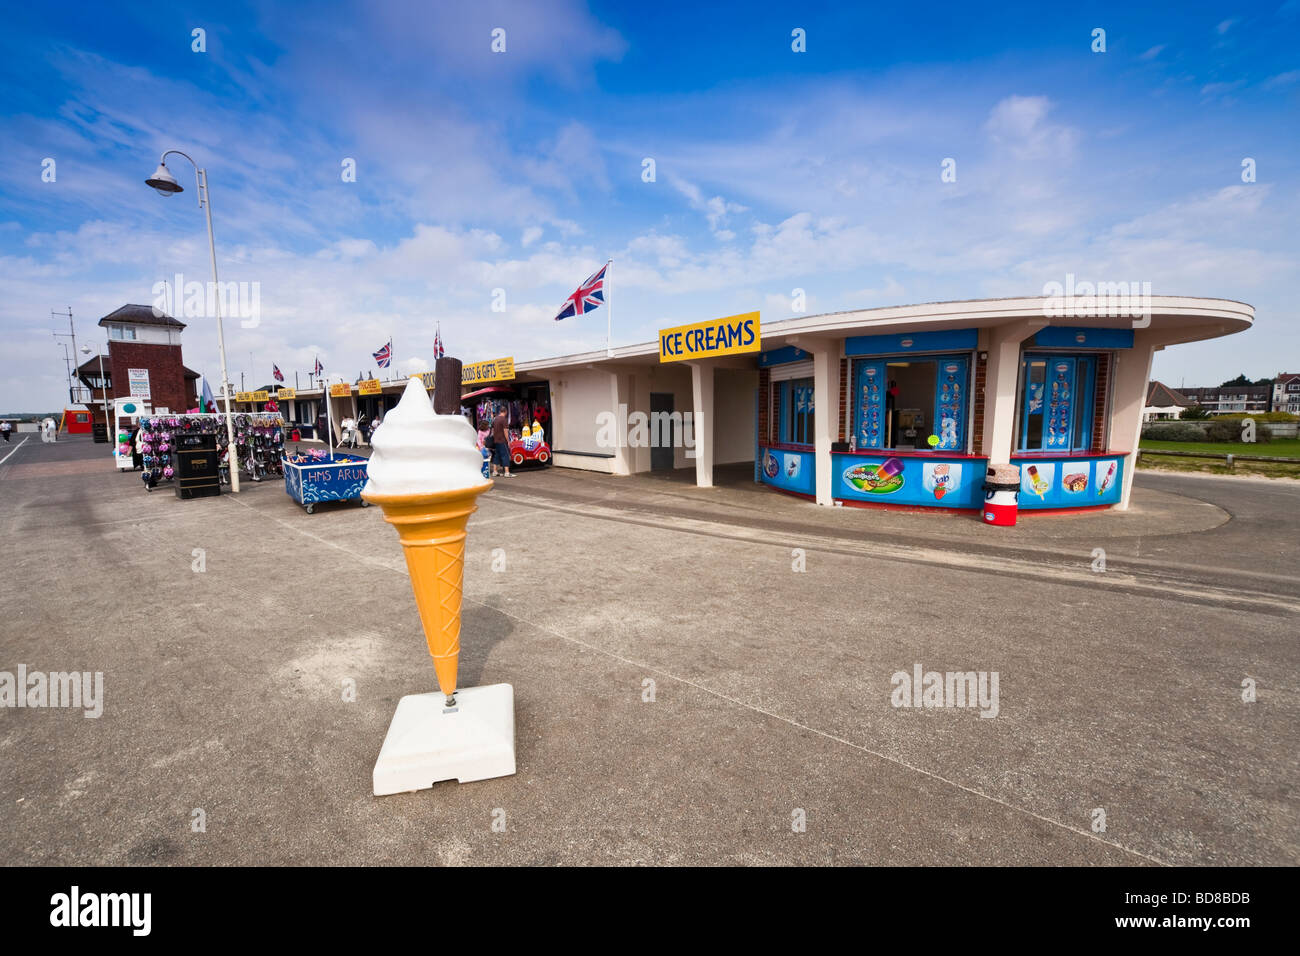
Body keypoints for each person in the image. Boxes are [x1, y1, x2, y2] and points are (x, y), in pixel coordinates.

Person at [491, 407, 513, 478]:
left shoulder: (495, 419)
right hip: (502, 440)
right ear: (505, 412)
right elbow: (505, 431)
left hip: (496, 440)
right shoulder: (504, 420)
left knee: (497, 455)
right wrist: (508, 441)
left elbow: (493, 430)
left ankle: (495, 471)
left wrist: (495, 438)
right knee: (505, 455)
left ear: (500, 411)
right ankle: (507, 472)